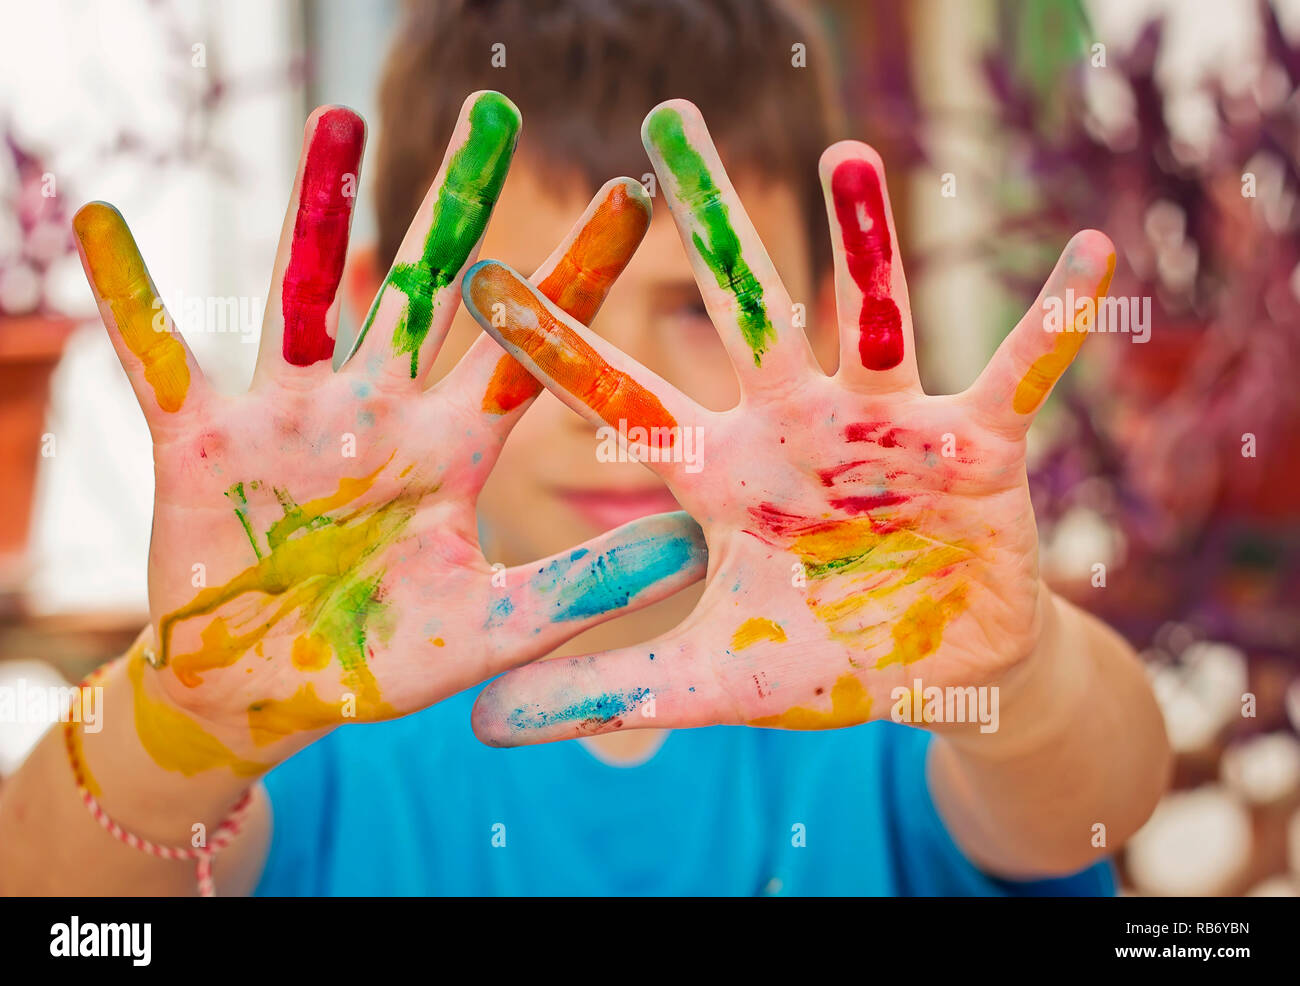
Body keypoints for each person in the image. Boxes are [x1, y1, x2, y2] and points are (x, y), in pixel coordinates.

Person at [0, 0, 1169, 896]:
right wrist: (186, 726)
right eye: (532, 326)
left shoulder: (890, 676)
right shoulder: (318, 700)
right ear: (387, 319)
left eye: (690, 313)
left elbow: (1094, 802)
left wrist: (1012, 677)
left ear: (816, 311)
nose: (615, 406)